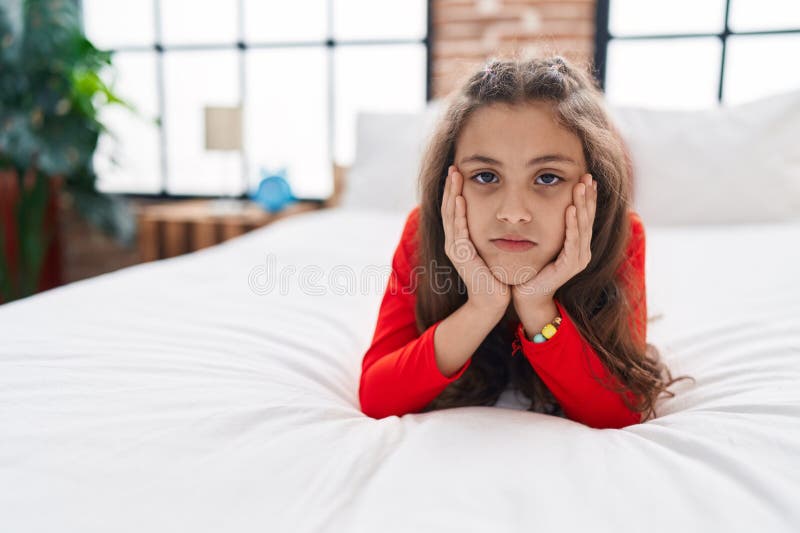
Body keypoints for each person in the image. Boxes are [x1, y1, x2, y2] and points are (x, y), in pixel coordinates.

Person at [358, 54, 693, 429]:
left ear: (592, 187)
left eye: (547, 178)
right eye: (486, 176)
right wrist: (482, 307)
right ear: (449, 184)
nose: (513, 212)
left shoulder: (621, 236)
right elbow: (376, 397)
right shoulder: (425, 231)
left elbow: (620, 411)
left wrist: (538, 305)